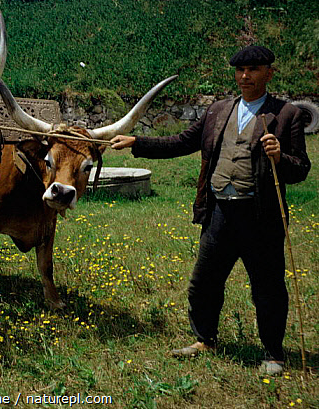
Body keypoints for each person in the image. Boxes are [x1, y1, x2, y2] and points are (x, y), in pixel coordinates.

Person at [111, 45, 311, 376]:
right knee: (205, 280)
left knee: (267, 287)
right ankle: (205, 338)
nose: (245, 76)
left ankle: (274, 353)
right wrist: (138, 142)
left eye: (254, 69)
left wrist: (280, 157)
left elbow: (300, 168)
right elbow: (181, 142)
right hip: (220, 210)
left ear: (269, 73)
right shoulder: (218, 111)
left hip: (261, 217)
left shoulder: (286, 114)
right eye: (240, 70)